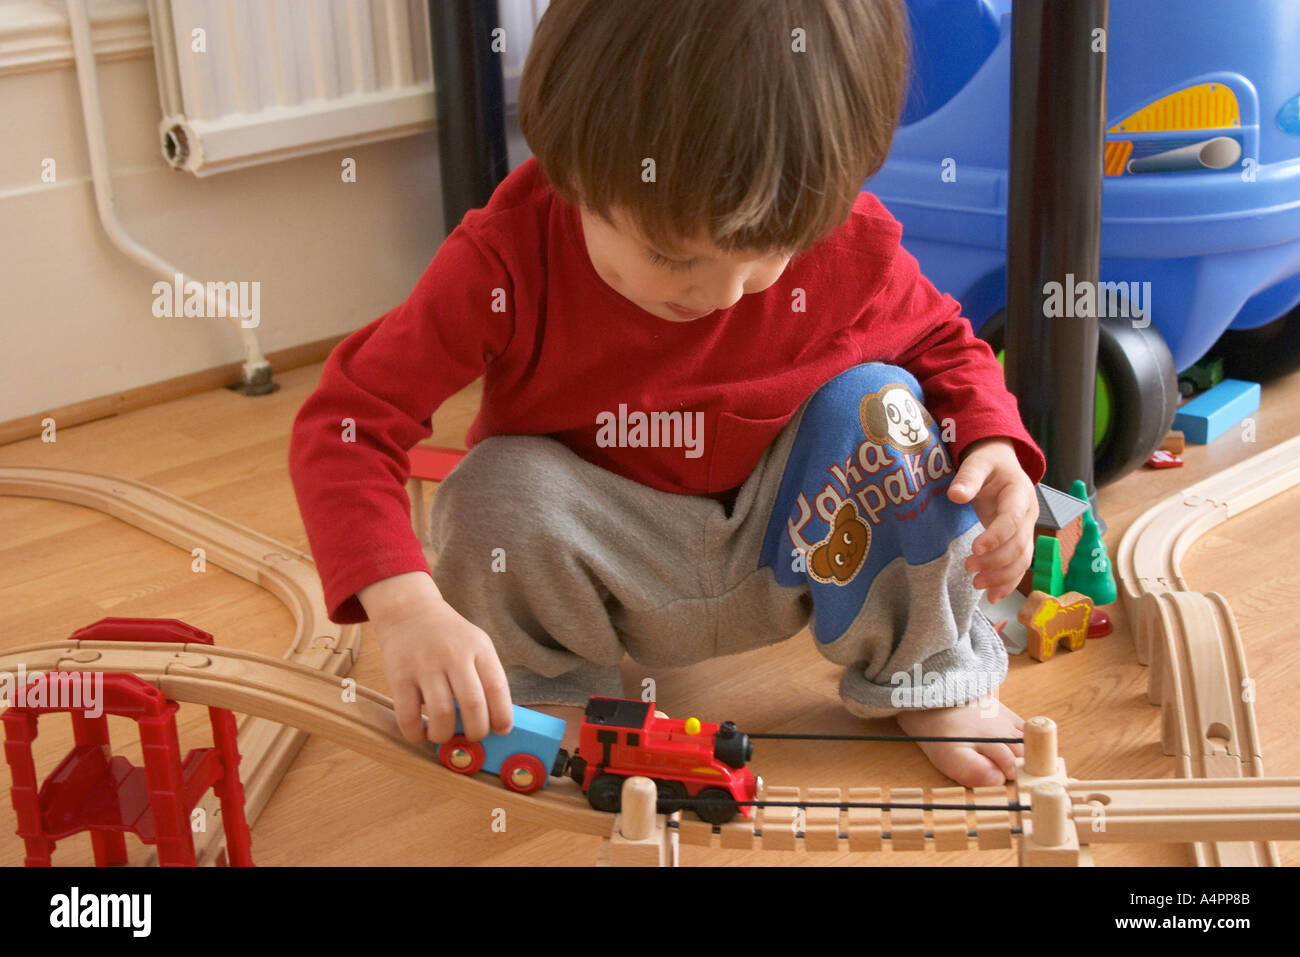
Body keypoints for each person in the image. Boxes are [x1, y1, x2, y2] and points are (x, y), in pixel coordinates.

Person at [289, 0, 1045, 788]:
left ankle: (925, 669)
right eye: (666, 253)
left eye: (766, 256)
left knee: (884, 403)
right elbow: (346, 422)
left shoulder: (840, 237)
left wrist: (995, 445)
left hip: (789, 545)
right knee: (493, 490)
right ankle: (537, 695)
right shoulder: (503, 261)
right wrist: (406, 607)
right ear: (572, 165)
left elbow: (940, 343)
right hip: (607, 566)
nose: (721, 294)